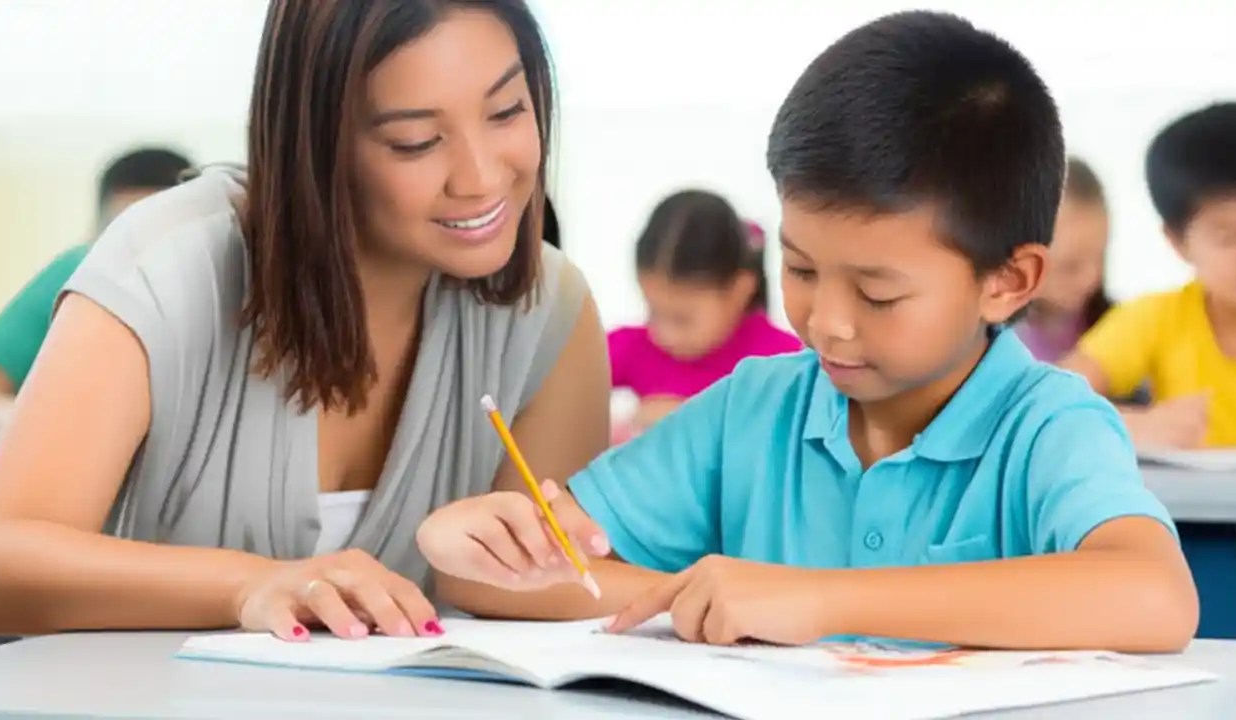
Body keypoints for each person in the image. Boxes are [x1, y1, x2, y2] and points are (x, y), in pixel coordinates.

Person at [416, 11, 1196, 653]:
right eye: (801, 269)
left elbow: (1156, 597)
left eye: (879, 292)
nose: (826, 321)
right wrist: (480, 548)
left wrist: (815, 599)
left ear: (1009, 281)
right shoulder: (753, 409)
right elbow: (496, 579)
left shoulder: (1049, 425)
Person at [0, 0, 610, 643]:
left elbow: (543, 589)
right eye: (414, 141)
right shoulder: (167, 263)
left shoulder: (550, 311)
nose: (479, 177)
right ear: (317, 142)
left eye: (506, 112)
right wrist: (249, 585)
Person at [0, 148, 193, 430]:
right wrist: (44, 430)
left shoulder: (220, 286)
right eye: (119, 230)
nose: (138, 254)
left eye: (159, 234)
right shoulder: (76, 271)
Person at [1063, 102, 1236, 449]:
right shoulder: (1156, 319)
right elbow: (1042, 403)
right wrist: (1125, 426)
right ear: (1177, 242)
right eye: (1228, 238)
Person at [608, 191, 801, 435]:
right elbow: (562, 383)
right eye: (653, 312)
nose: (665, 335)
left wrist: (695, 422)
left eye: (682, 319)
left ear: (740, 291)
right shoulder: (633, 346)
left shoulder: (782, 364)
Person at [1015, 157, 1111, 363]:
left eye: (1101, 257)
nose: (1091, 278)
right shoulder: (984, 348)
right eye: (1071, 266)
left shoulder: (1119, 325)